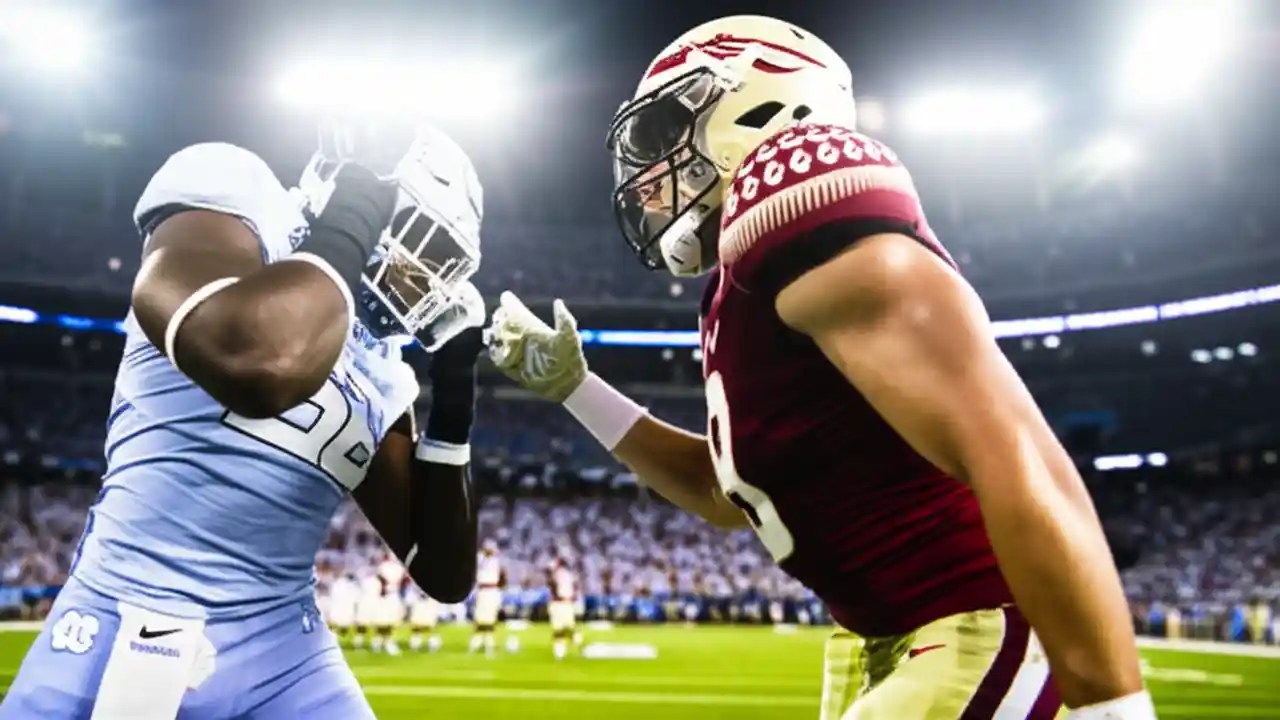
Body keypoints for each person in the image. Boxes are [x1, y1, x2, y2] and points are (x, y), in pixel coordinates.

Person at [489, 15, 1152, 720]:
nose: (651, 180)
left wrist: (1111, 704)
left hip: (979, 626)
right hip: (884, 641)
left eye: (664, 140)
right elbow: (726, 496)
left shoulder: (797, 197)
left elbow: (1011, 447)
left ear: (753, 108)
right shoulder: (737, 287)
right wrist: (576, 390)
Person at [1, 123, 486, 720]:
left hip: (285, 651)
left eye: (439, 263)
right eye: (418, 242)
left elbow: (443, 570)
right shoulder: (236, 196)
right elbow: (259, 360)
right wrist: (360, 203)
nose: (420, 276)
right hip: (127, 616)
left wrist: (456, 394)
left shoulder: (385, 369)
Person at [470, 538, 504, 657]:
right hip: (482, 590)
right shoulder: (480, 558)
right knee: (480, 617)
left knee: (490, 617)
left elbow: (503, 576)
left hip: (492, 590)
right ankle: (477, 641)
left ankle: (489, 642)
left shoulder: (496, 560)